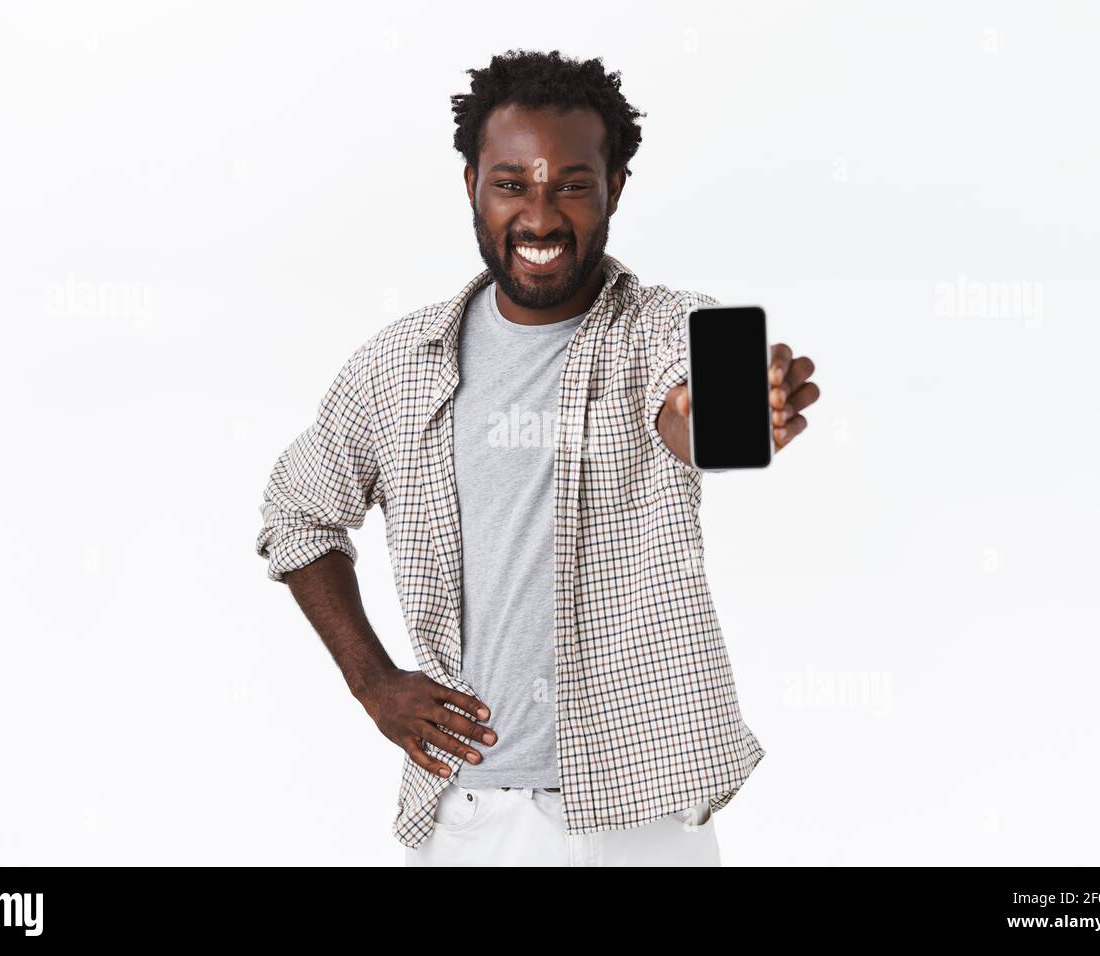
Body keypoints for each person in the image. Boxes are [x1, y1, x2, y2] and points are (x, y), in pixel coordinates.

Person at [255, 49, 820, 866]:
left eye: (573, 185)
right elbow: (296, 514)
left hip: (643, 819)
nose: (542, 217)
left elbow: (683, 411)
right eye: (513, 182)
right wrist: (373, 683)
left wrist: (735, 414)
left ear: (615, 187)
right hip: (472, 817)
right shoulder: (395, 366)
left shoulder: (659, 328)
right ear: (472, 186)